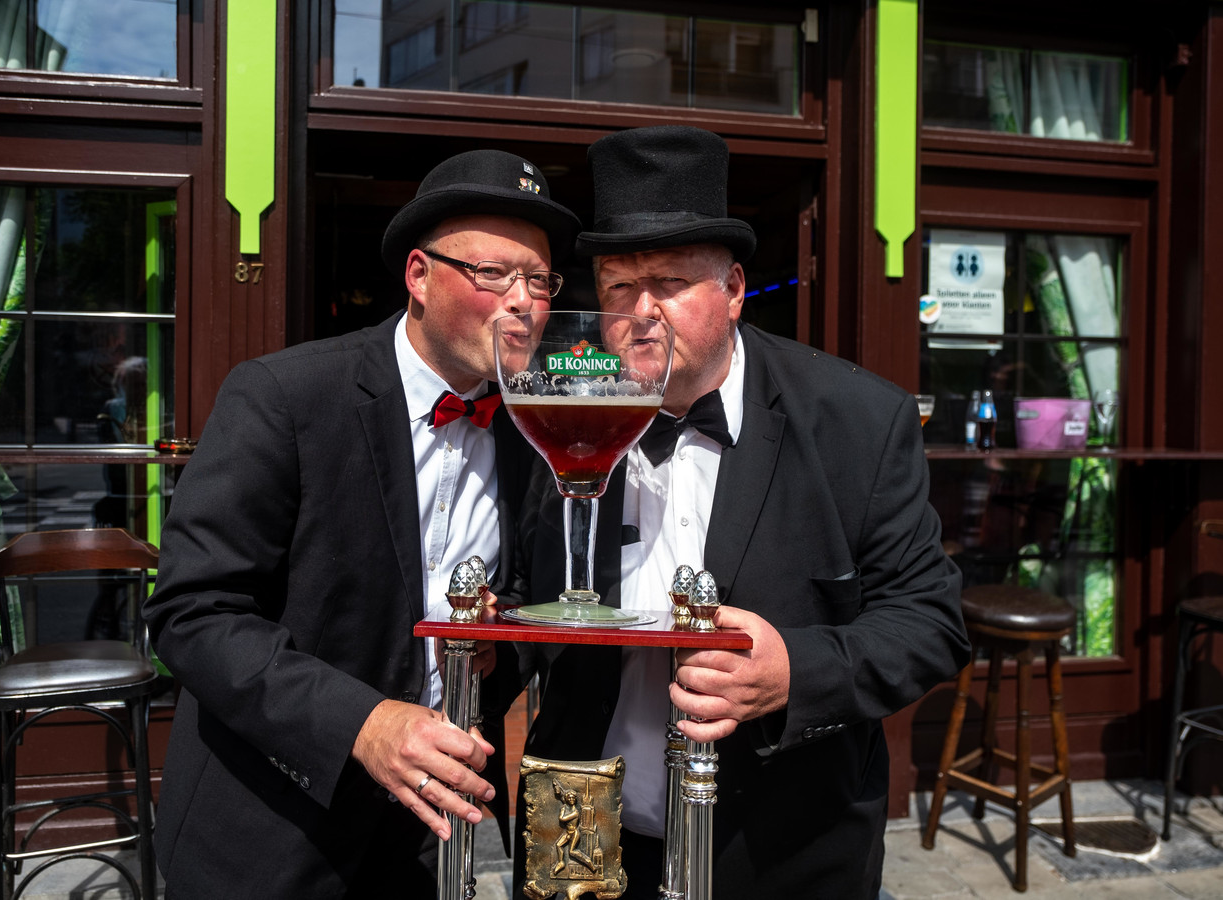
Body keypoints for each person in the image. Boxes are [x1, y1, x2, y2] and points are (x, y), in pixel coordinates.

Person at [512, 125, 969, 898]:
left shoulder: (857, 420)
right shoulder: (559, 415)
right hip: (582, 836)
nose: (641, 311)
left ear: (732, 289)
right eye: (618, 286)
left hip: (781, 846)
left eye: (670, 281)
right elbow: (525, 591)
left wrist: (794, 672)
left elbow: (930, 622)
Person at [143, 149, 580, 898]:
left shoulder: (532, 430)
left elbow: (524, 608)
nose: (523, 302)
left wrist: (497, 647)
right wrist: (364, 724)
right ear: (419, 275)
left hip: (430, 838)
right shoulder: (283, 397)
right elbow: (192, 614)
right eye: (493, 273)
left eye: (539, 281)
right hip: (272, 831)